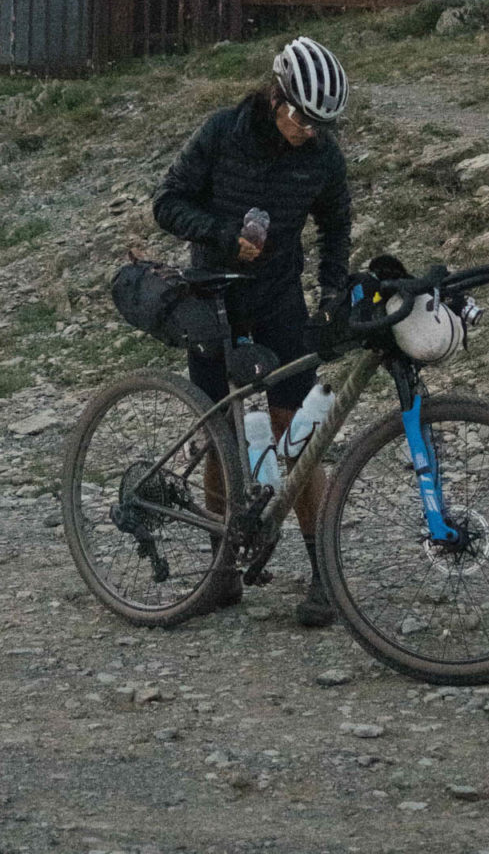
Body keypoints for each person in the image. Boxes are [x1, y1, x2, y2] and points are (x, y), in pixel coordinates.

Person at [151, 36, 352, 627]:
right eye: (303, 118)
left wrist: (333, 290)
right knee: (222, 436)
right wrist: (220, 233)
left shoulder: (322, 155)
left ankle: (323, 575)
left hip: (279, 299)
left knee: (298, 435)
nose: (310, 131)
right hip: (212, 297)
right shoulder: (222, 132)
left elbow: (336, 223)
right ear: (276, 96)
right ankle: (222, 571)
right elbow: (167, 203)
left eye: (322, 123)